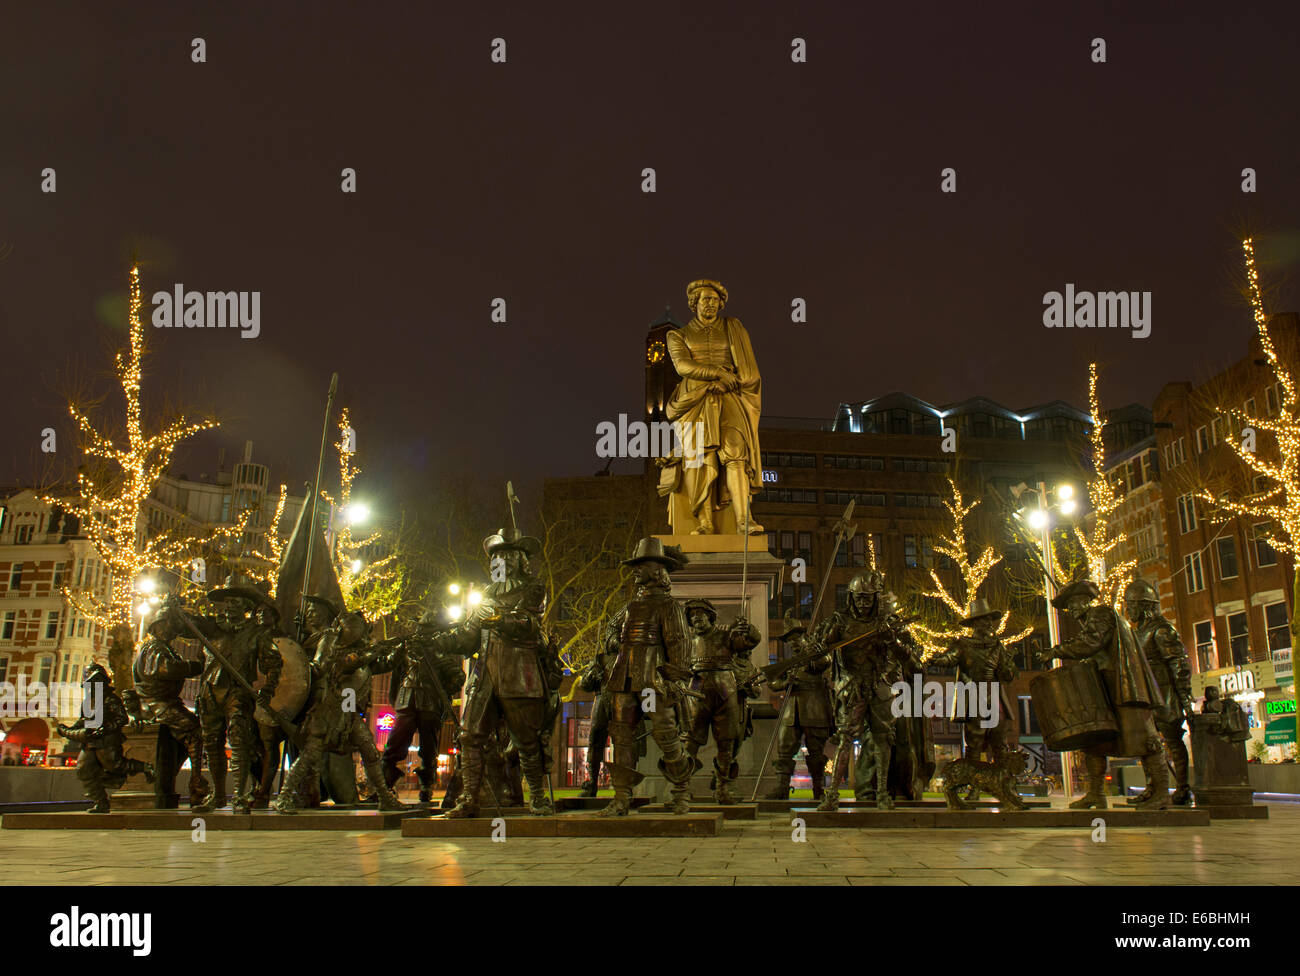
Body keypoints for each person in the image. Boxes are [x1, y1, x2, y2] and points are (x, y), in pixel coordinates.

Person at [434, 526, 556, 818]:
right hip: (485, 674)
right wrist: (443, 640)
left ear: (517, 559)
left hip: (519, 672)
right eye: (493, 557)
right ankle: (469, 799)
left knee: (526, 739)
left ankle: (537, 797)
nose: (495, 562)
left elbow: (530, 625)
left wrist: (499, 617)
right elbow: (469, 635)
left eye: (502, 556)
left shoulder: (533, 589)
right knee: (469, 736)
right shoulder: (485, 593)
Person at [1038, 579, 1169, 809]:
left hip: (1124, 685)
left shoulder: (1102, 614)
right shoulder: (1094, 619)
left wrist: (1055, 651)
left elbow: (1091, 643)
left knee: (1143, 738)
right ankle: (1096, 793)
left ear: (1085, 601)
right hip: (1106, 687)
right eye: (1069, 607)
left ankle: (1160, 792)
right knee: (1096, 742)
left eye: (1075, 604)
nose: (1072, 611)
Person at [597, 538, 699, 816]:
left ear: (656, 570)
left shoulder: (669, 606)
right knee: (621, 736)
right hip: (625, 678)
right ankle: (621, 798)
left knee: (666, 735)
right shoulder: (630, 606)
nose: (635, 571)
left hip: (652, 681)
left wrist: (675, 680)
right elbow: (614, 637)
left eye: (640, 566)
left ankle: (681, 793)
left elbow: (679, 645)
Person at [660, 278, 765, 535]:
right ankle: (704, 523)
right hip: (694, 399)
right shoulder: (678, 335)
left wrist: (732, 382)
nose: (711, 304)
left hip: (729, 396)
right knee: (699, 458)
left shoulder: (733, 328)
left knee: (736, 453)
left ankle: (744, 521)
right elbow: (683, 366)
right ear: (694, 303)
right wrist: (717, 373)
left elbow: (749, 368)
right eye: (705, 299)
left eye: (716, 300)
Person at [273, 611, 405, 813]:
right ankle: (284, 797)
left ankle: (384, 797)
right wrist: (375, 649)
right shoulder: (336, 651)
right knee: (309, 756)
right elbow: (349, 662)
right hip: (329, 712)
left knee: (370, 751)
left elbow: (383, 664)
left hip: (349, 712)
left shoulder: (363, 655)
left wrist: (400, 648)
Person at [814, 571, 920, 811]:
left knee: (884, 739)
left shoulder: (888, 622)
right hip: (852, 688)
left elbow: (909, 659)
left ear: (876, 598)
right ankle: (832, 796)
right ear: (851, 597)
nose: (863, 603)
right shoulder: (839, 621)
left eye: (868, 598)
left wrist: (892, 640)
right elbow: (821, 651)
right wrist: (824, 641)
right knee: (844, 739)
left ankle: (882, 793)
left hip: (880, 686)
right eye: (859, 597)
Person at [189, 584, 283, 814]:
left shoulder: (258, 633)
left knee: (240, 741)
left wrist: (268, 690)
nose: (230, 607)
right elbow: (188, 625)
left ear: (246, 607)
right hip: (210, 690)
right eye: (228, 602)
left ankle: (239, 795)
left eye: (236, 603)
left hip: (237, 691)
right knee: (212, 743)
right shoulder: (214, 628)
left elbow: (273, 664)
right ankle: (218, 795)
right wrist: (176, 610)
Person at [127, 596, 208, 808]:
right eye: (170, 625)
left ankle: (172, 779)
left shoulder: (161, 647)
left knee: (185, 740)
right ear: (160, 626)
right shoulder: (155, 647)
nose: (174, 630)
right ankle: (196, 786)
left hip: (164, 702)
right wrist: (195, 666)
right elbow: (165, 669)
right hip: (157, 704)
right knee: (194, 730)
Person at [377, 609, 465, 803]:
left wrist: (441, 691)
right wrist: (396, 700)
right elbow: (392, 670)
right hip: (407, 702)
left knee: (428, 749)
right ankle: (384, 787)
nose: (422, 632)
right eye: (421, 628)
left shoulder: (439, 651)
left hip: (430, 705)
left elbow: (458, 676)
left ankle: (426, 787)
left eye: (427, 629)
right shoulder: (406, 647)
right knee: (394, 745)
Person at [680, 598, 761, 804]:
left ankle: (723, 788)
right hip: (696, 686)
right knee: (690, 739)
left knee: (726, 740)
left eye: (700, 613)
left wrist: (747, 629)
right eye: (692, 615)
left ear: (710, 616)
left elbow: (751, 641)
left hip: (724, 686)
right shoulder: (686, 641)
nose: (696, 618)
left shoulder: (726, 636)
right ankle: (681, 789)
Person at [1123, 579, 1193, 805]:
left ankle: (1182, 787)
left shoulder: (1162, 630)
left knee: (1173, 741)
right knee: (1147, 744)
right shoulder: (1138, 632)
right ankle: (1153, 787)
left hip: (1165, 695)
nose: (1128, 610)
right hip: (1147, 697)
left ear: (1145, 606)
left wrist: (1185, 698)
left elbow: (1179, 665)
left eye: (1132, 605)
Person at [57, 664, 154, 813]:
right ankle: (101, 802)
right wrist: (69, 729)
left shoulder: (111, 699)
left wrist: (105, 729)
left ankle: (145, 768)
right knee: (84, 769)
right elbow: (84, 720)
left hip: (107, 740)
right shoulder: (88, 702)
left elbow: (121, 718)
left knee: (115, 764)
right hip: (90, 742)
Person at [764, 611, 832, 800]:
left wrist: (813, 651)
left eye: (796, 638)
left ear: (804, 637)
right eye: (789, 639)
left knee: (816, 750)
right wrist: (786, 683)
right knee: (784, 749)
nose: (793, 642)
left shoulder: (815, 653)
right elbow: (773, 682)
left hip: (813, 707)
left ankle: (818, 788)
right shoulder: (788, 664)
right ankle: (782, 787)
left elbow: (824, 663)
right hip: (791, 709)